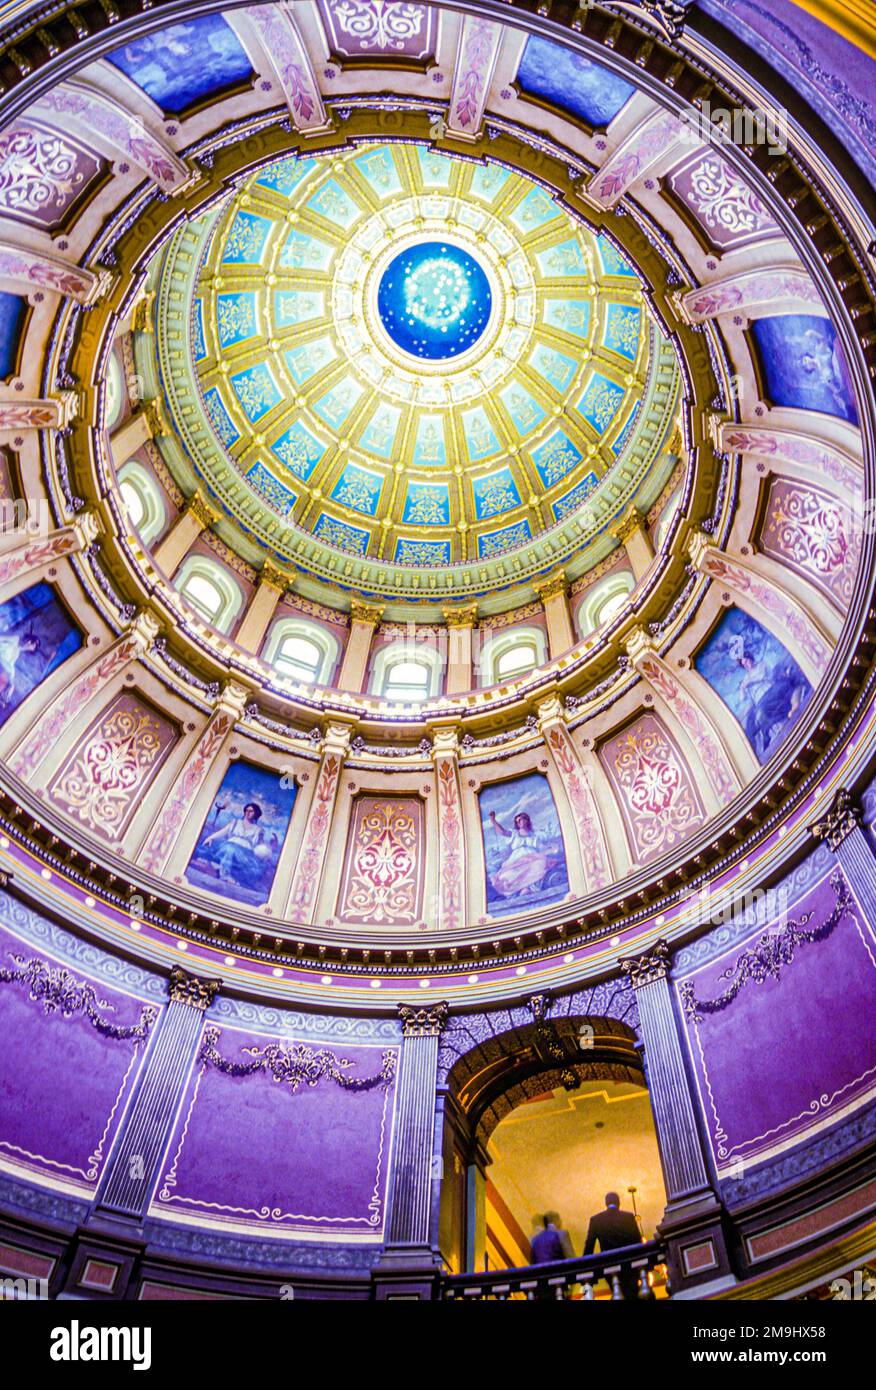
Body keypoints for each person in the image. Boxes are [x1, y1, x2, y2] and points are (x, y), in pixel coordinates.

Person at [583, 1193, 643, 1300]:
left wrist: (584, 1269)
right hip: (630, 1266)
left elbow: (589, 1247)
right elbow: (638, 1242)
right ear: (619, 1202)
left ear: (606, 1203)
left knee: (617, 1292)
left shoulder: (596, 1220)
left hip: (609, 1266)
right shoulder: (628, 1217)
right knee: (632, 1294)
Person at [201, 801, 270, 888]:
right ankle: (225, 875)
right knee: (230, 850)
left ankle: (234, 877)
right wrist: (210, 838)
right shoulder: (235, 822)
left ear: (256, 813)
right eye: (246, 810)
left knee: (254, 867)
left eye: (251, 811)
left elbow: (260, 845)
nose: (248, 813)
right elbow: (223, 832)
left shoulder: (258, 830)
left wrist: (266, 852)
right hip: (229, 846)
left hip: (245, 853)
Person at [487, 810, 550, 900]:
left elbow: (542, 847)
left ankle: (527, 888)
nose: (518, 822)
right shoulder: (514, 834)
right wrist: (493, 820)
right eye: (517, 821)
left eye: (520, 819)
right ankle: (518, 890)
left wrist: (548, 849)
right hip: (516, 859)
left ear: (526, 820)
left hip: (533, 858)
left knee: (539, 865)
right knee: (509, 875)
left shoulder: (534, 835)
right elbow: (502, 832)